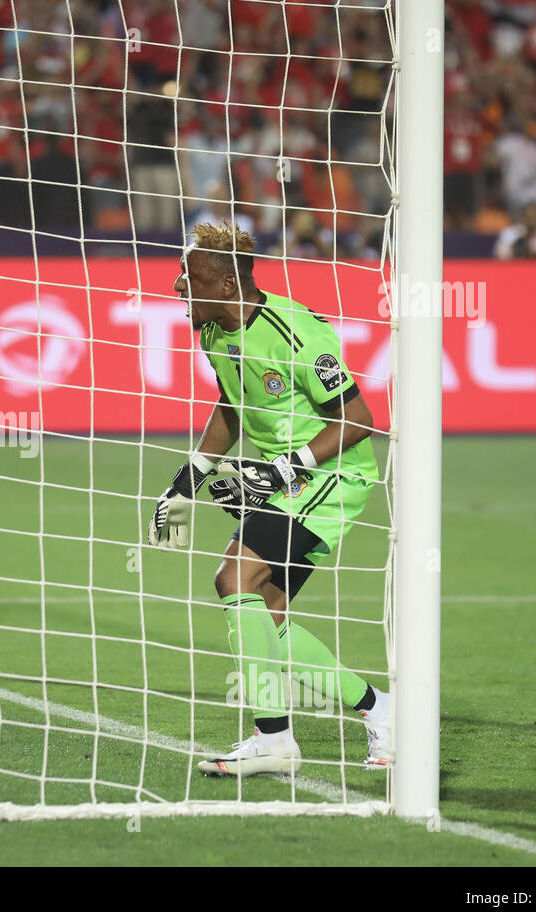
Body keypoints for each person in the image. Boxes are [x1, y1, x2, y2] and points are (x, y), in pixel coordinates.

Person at [146, 221, 391, 776]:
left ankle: (274, 741)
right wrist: (190, 477)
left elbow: (358, 421)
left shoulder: (297, 333)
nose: (179, 286)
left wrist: (287, 468)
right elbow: (233, 407)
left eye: (191, 276)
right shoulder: (213, 332)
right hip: (284, 479)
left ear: (228, 282)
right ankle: (381, 710)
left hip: (331, 475)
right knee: (268, 617)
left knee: (233, 579)